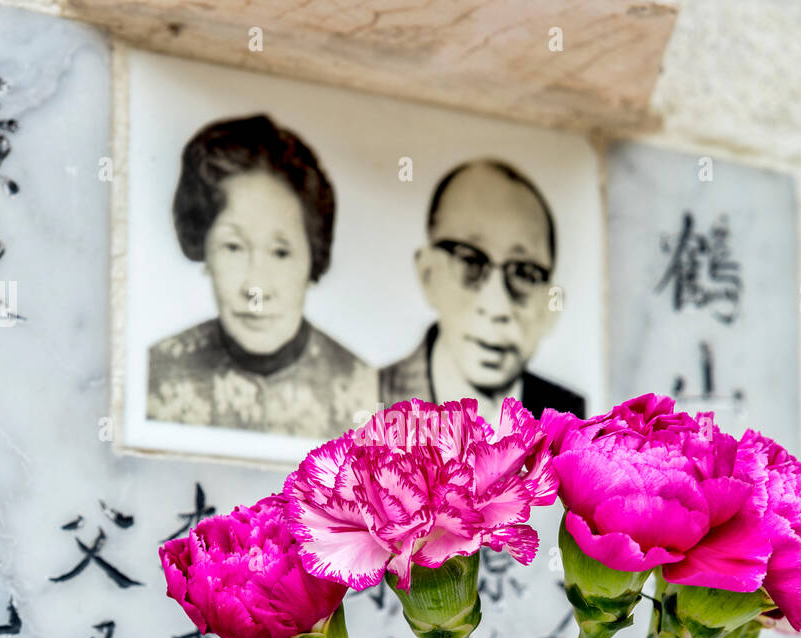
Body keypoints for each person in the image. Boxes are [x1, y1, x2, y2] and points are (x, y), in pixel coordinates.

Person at [148, 114, 375, 439]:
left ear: (313, 257)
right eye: (233, 247)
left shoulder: (366, 393)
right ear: (204, 250)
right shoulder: (154, 376)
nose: (255, 287)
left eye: (281, 252)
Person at [379, 159, 584, 420]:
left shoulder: (574, 420)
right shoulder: (371, 402)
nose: (496, 307)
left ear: (550, 307)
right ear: (428, 275)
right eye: (470, 261)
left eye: (524, 273)